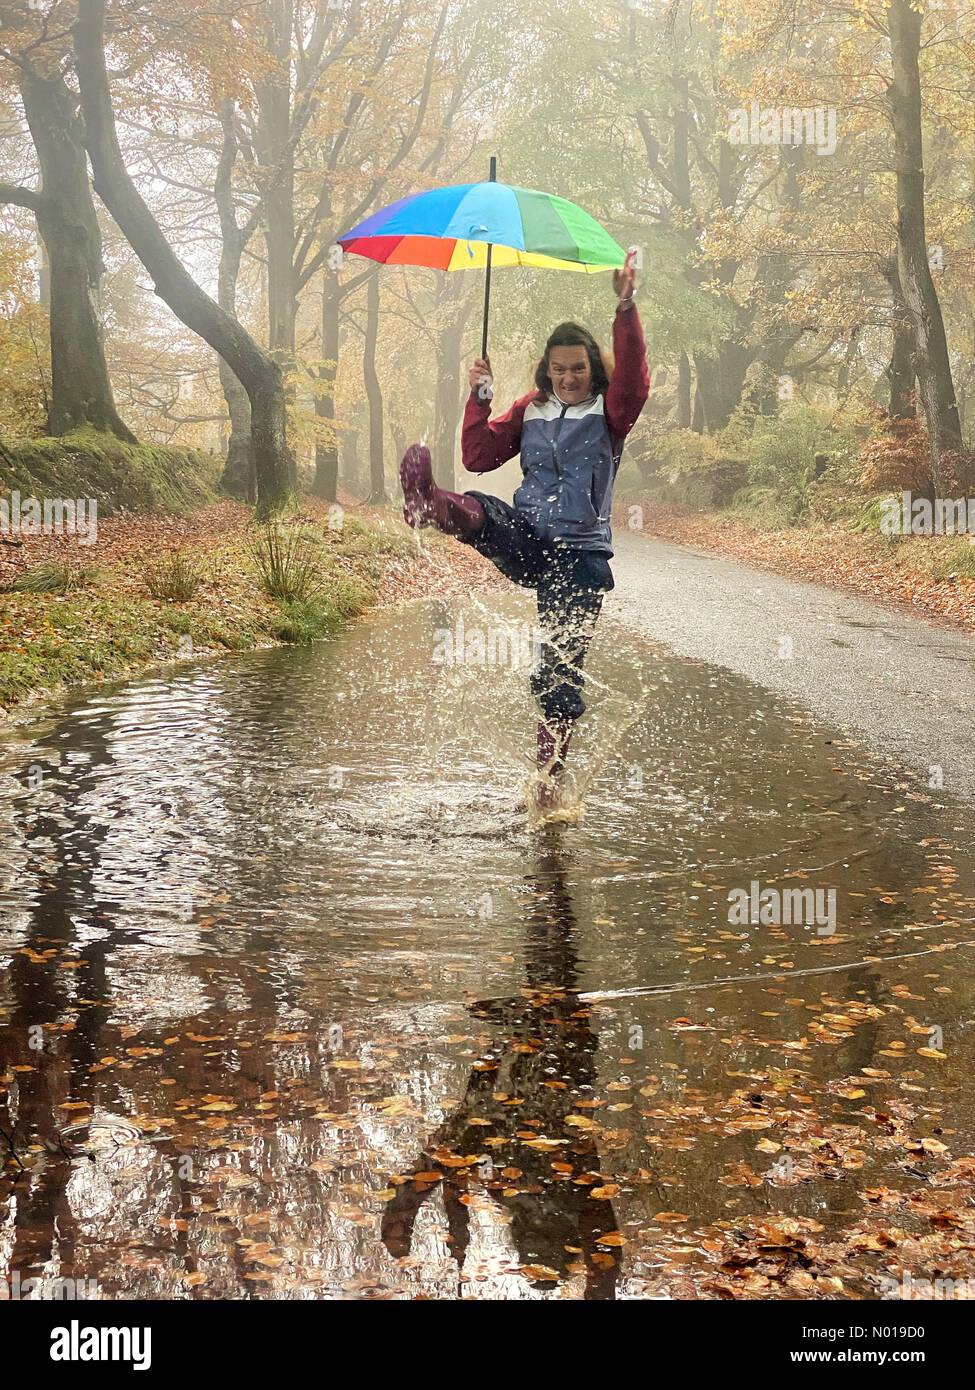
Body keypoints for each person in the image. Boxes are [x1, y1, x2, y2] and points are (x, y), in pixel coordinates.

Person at [400, 248, 649, 807]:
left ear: (593, 369)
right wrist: (479, 397)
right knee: (486, 510)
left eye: (578, 369)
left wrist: (625, 306)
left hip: (580, 559)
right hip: (530, 537)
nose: (567, 378)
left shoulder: (612, 412)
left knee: (558, 669)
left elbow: (634, 380)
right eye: (558, 368)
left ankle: (547, 783)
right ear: (546, 369)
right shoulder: (530, 409)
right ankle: (429, 504)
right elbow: (479, 454)